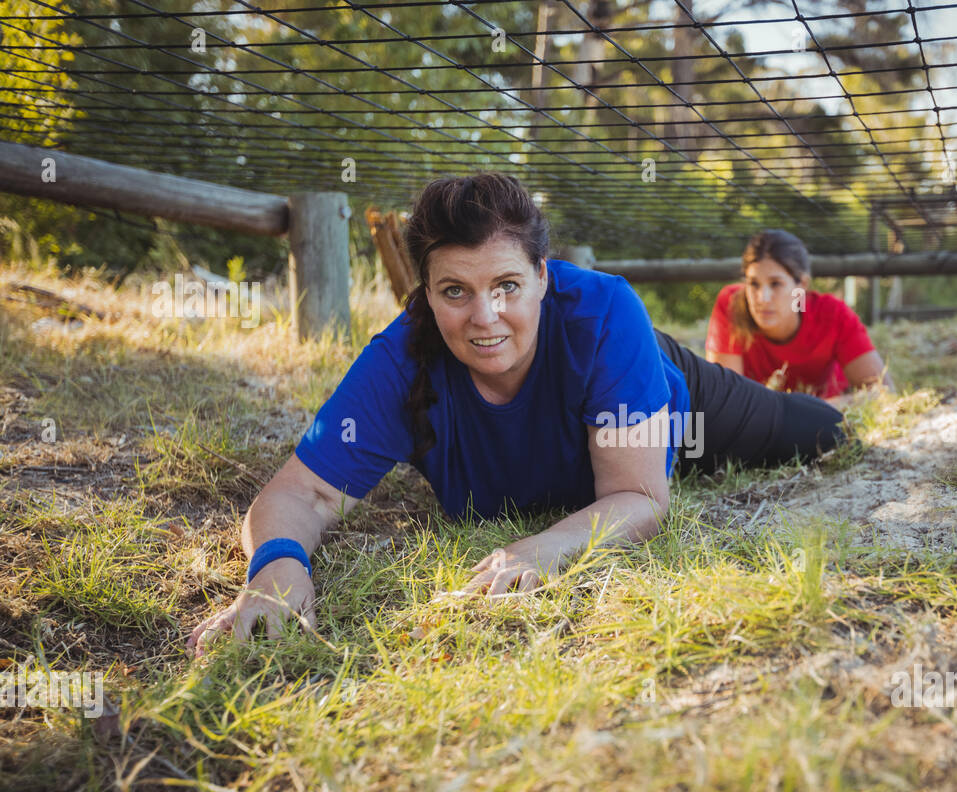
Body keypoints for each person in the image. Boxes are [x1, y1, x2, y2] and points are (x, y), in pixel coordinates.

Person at [187, 173, 847, 658]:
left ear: (542, 275)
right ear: (426, 293)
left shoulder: (604, 314)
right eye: (455, 291)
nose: (484, 317)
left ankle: (837, 415)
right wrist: (276, 564)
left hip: (677, 409)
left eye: (506, 286)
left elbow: (640, 496)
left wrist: (541, 548)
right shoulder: (399, 359)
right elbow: (300, 491)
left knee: (820, 432)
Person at [705, 229, 894, 409]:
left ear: (801, 285)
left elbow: (883, 391)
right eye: (753, 284)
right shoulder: (731, 303)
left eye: (775, 284)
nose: (762, 298)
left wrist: (805, 411)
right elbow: (724, 398)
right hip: (760, 419)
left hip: (825, 414)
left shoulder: (833, 314)